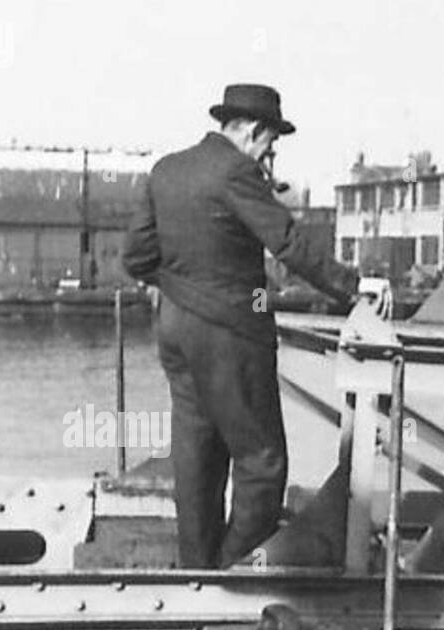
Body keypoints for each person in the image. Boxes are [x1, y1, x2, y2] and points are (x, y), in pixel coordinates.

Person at [121, 84, 358, 568]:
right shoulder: (236, 171)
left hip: (175, 331)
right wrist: (354, 289)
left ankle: (196, 574)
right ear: (252, 130)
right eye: (271, 140)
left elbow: (136, 257)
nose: (272, 151)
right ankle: (236, 574)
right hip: (230, 335)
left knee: (197, 457)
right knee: (262, 462)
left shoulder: (166, 170)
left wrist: (185, 290)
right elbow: (288, 243)